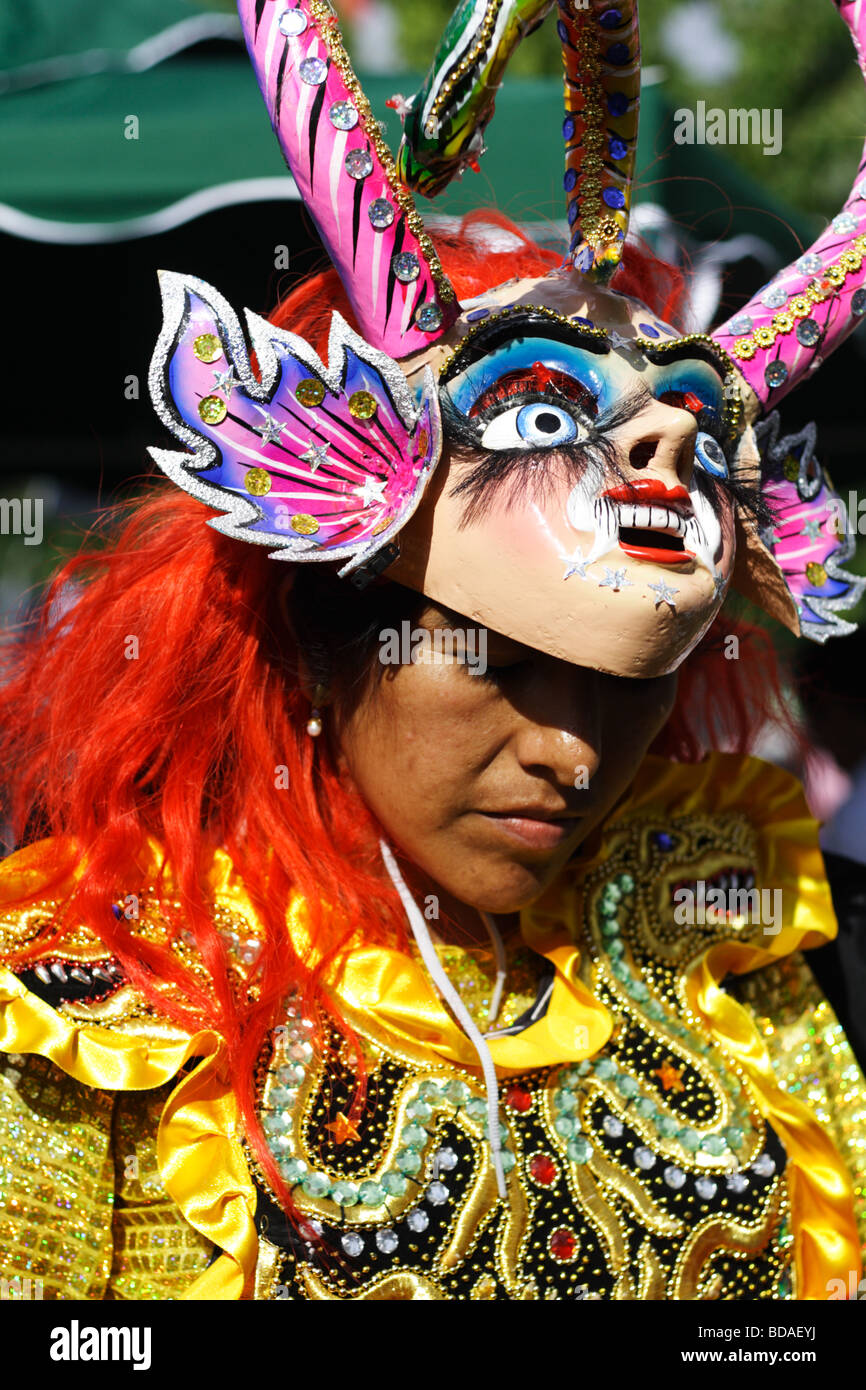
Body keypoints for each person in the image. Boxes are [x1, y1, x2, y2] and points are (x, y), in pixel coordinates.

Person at [0, 0, 864, 1302]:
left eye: (632, 688)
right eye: (501, 664)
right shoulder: (99, 1002)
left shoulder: (747, 937)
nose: (574, 753)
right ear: (317, 636)